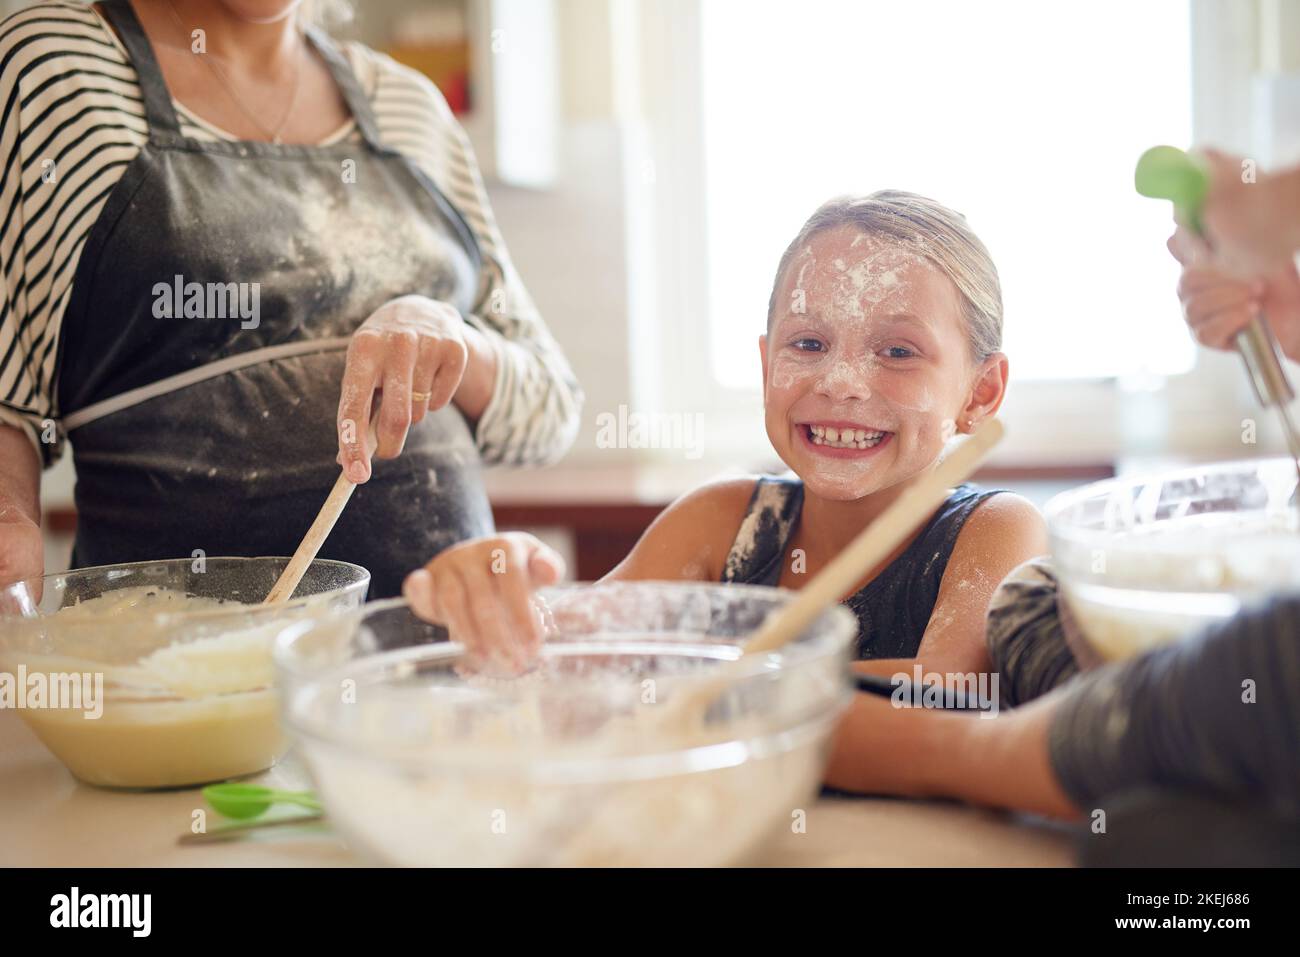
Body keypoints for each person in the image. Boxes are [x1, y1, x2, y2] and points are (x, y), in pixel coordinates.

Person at [403, 190, 1049, 734]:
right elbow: (563, 650)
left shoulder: (997, 531)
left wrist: (704, 685)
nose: (841, 380)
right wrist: (500, 595)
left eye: (899, 351)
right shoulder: (722, 523)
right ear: (767, 366)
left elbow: (948, 693)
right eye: (809, 342)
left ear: (980, 392)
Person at [0, 0, 582, 596]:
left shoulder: (409, 109)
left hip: (435, 661)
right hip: (175, 669)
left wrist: (449, 335)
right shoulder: (52, 72)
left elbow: (548, 410)